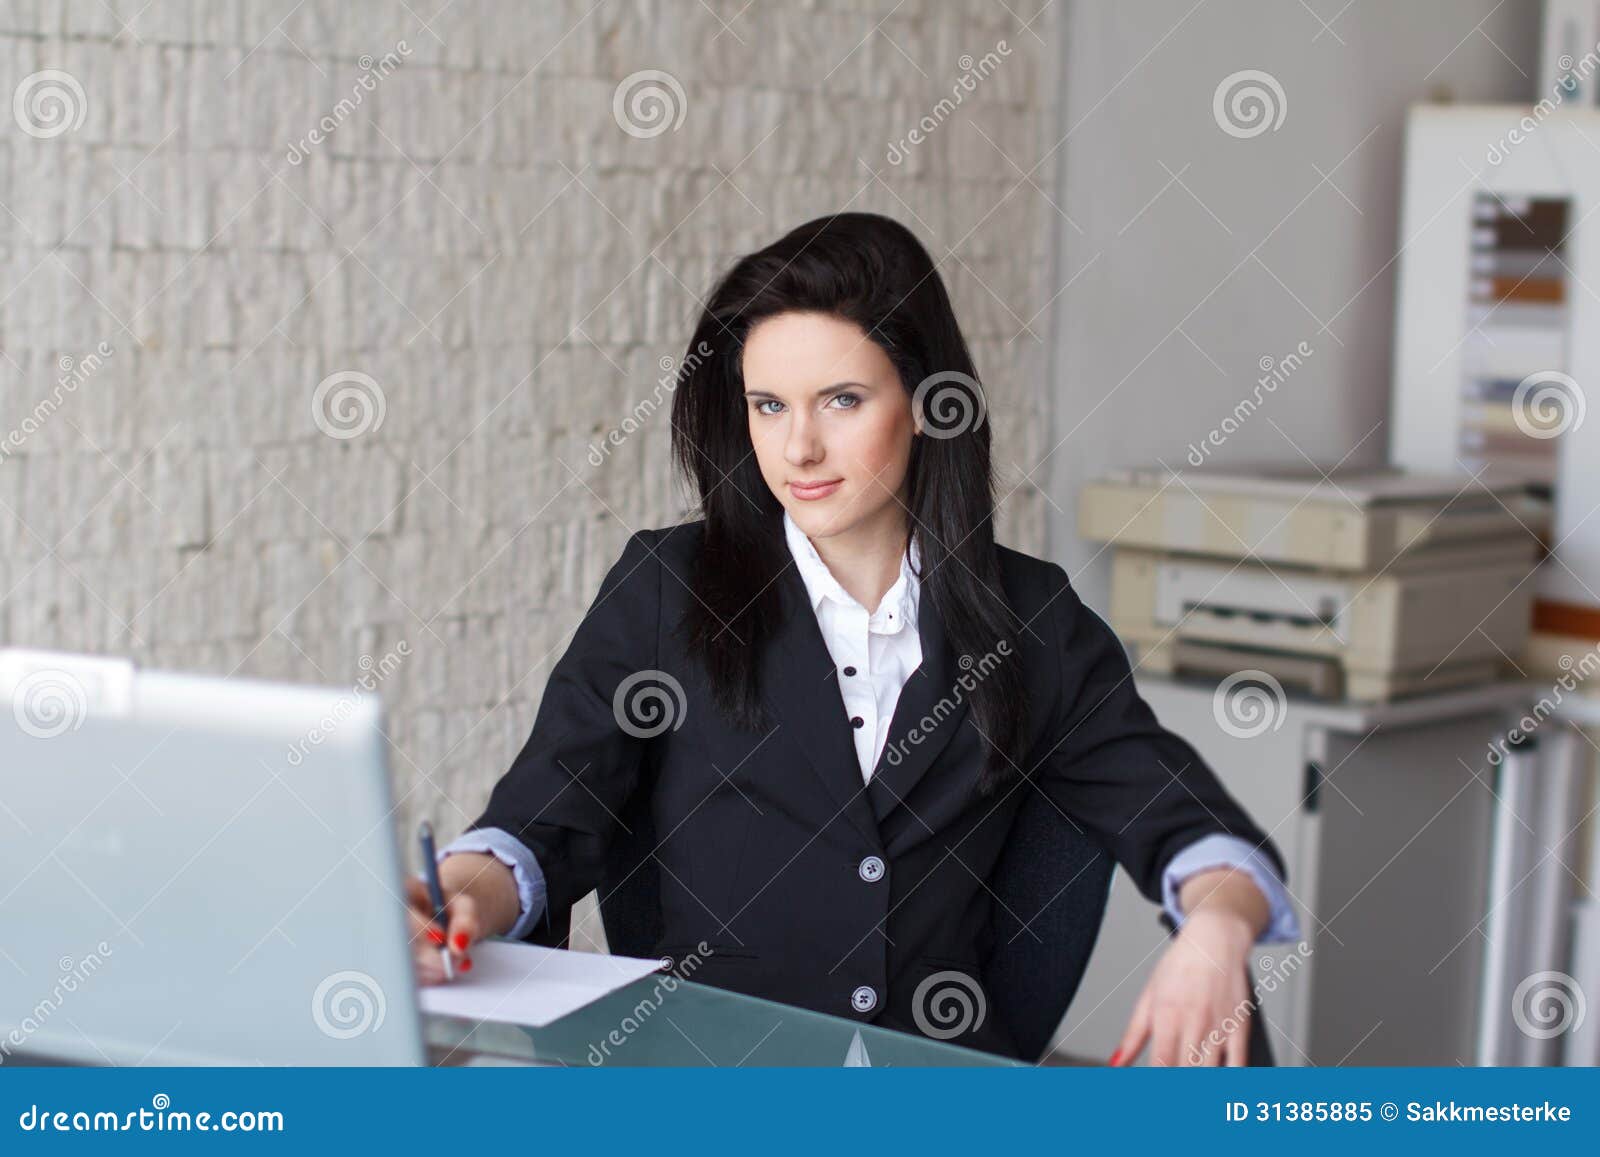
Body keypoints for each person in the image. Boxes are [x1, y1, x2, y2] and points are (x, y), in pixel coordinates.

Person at [404, 211, 1300, 1064]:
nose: (798, 447)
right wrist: (456, 898)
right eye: (767, 405)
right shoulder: (665, 590)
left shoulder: (1029, 618)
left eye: (839, 399)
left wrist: (1217, 928)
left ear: (925, 404)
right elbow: (541, 817)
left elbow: (1187, 823)